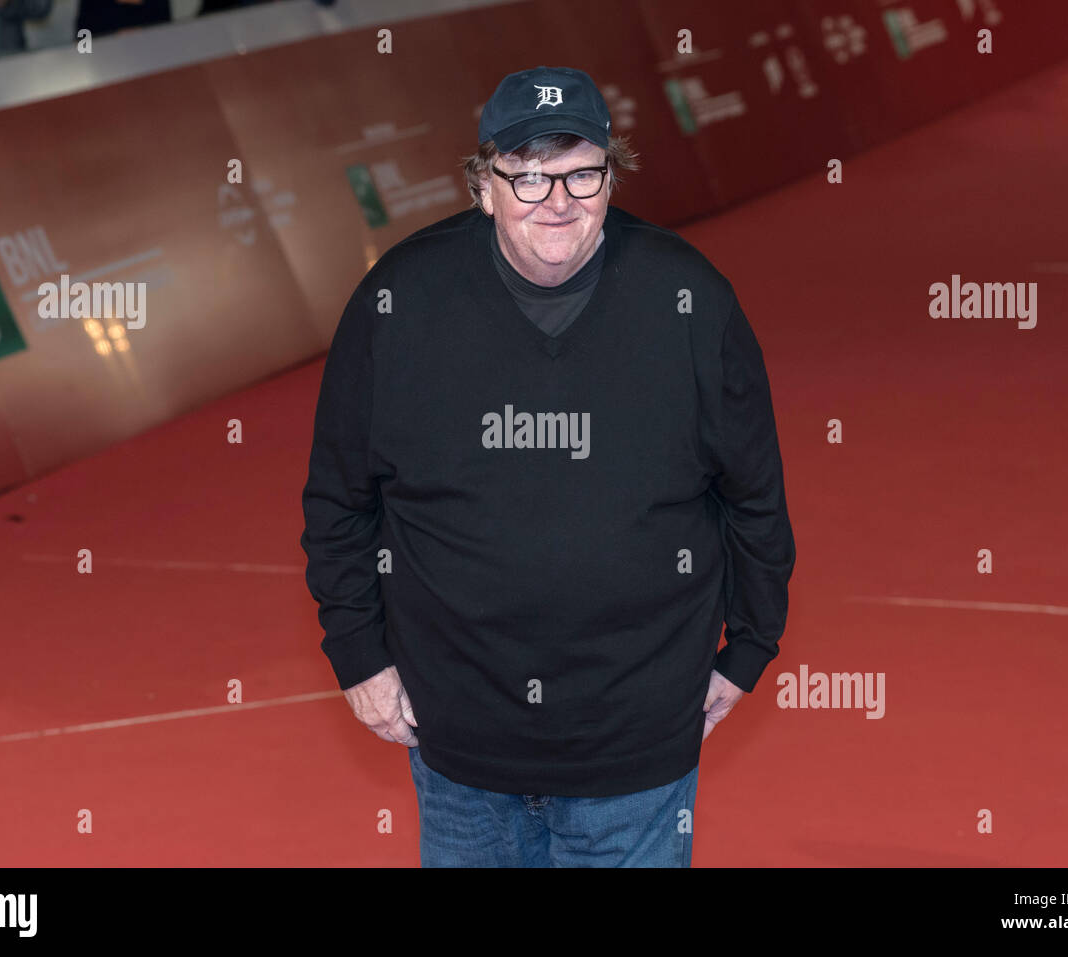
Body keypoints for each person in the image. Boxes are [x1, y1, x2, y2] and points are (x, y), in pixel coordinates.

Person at [300, 65, 795, 868]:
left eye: (580, 171)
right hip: (458, 740)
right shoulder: (399, 303)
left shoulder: (690, 301)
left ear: (612, 174)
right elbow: (339, 498)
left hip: (634, 745)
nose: (557, 199)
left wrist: (749, 647)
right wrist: (357, 652)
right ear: (483, 186)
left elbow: (754, 495)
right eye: (528, 176)